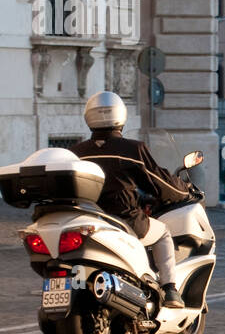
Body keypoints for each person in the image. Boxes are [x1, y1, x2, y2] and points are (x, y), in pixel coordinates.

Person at [71, 91, 192, 308]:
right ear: (120, 117)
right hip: (125, 220)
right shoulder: (131, 149)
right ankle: (170, 289)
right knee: (163, 232)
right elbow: (160, 184)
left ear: (89, 117)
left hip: (87, 221)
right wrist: (185, 189)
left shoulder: (76, 152)